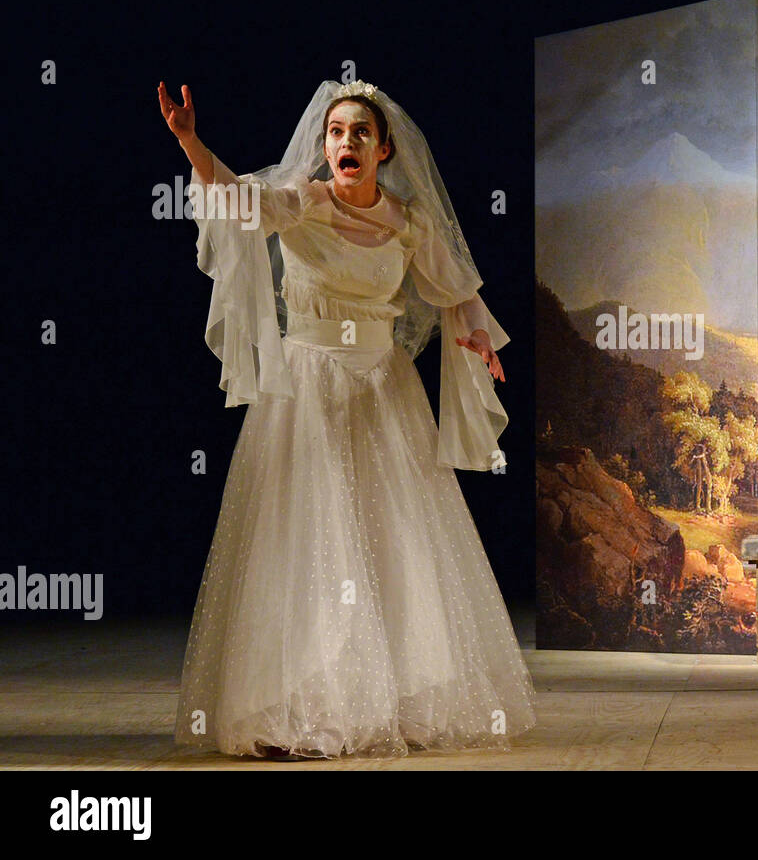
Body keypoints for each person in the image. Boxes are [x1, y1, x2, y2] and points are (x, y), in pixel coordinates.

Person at [159, 79, 537, 758]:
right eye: (335, 132)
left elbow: (457, 287)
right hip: (307, 388)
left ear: (384, 148)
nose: (345, 142)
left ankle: (396, 699)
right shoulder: (303, 203)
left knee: (394, 542)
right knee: (309, 540)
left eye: (359, 132)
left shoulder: (410, 221)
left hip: (382, 387)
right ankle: (300, 710)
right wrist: (191, 142)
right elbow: (240, 203)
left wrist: (477, 335)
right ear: (325, 146)